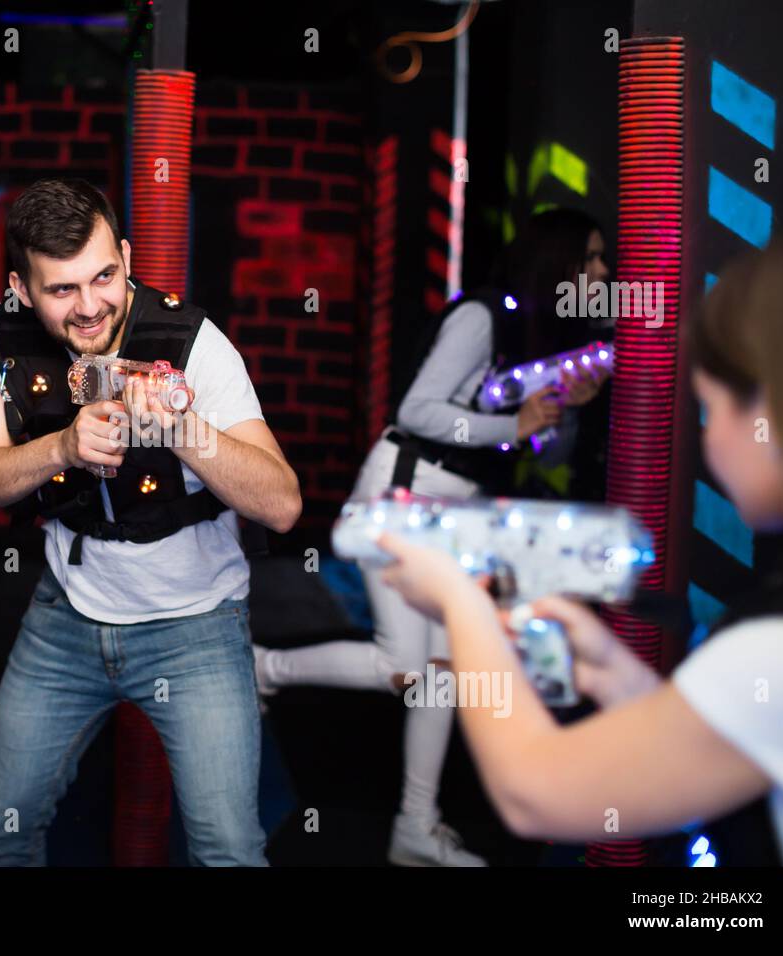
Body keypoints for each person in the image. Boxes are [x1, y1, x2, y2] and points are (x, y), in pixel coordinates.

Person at [375, 228, 783, 865]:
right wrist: (618, 673)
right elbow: (720, 744)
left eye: (711, 407)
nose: (710, 436)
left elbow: (535, 792)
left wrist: (458, 597)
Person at [0, 178, 301, 866]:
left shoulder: (195, 340)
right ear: (22, 289)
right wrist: (59, 447)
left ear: (127, 256)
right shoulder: (8, 330)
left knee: (228, 850)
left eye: (105, 277)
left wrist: (180, 428)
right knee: (4, 828)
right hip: (66, 618)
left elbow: (282, 504)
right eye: (62, 291)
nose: (90, 308)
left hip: (195, 625)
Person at [253, 209, 612, 866]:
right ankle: (264, 669)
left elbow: (546, 452)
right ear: (556, 263)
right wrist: (512, 425)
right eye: (590, 259)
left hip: (459, 515)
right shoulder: (482, 317)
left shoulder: (543, 338)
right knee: (404, 666)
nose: (601, 273)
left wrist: (564, 415)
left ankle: (416, 827)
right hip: (403, 497)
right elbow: (415, 411)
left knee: (441, 677)